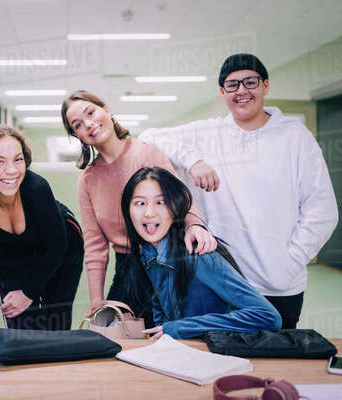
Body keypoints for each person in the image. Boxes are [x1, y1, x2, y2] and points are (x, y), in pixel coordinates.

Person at [142, 54, 338, 329]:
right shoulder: (208, 132)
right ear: (222, 92)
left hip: (278, 287)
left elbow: (322, 210)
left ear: (265, 86)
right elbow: (149, 137)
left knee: (275, 366)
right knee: (224, 365)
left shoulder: (295, 136)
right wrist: (193, 160)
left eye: (250, 82)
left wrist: (289, 262)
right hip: (223, 285)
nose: (242, 91)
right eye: (232, 85)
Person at [61, 90, 218, 322]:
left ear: (106, 109)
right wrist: (97, 299)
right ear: (79, 137)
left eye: (91, 112)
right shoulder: (88, 179)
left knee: (175, 341)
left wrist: (196, 226)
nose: (89, 124)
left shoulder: (146, 152)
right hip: (128, 270)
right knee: (116, 340)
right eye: (78, 125)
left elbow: (180, 199)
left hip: (169, 262)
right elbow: (95, 243)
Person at [0, 124, 83, 330]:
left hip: (62, 248)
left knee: (56, 324)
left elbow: (57, 247)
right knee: (22, 328)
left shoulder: (36, 187)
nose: (11, 171)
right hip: (9, 252)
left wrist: (28, 293)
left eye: (18, 159)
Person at [120, 167, 281, 339]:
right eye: (140, 203)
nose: (149, 213)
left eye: (161, 202)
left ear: (175, 207)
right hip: (182, 354)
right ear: (128, 209)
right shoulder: (147, 254)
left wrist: (183, 327)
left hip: (216, 355)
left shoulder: (198, 255)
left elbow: (268, 316)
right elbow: (163, 318)